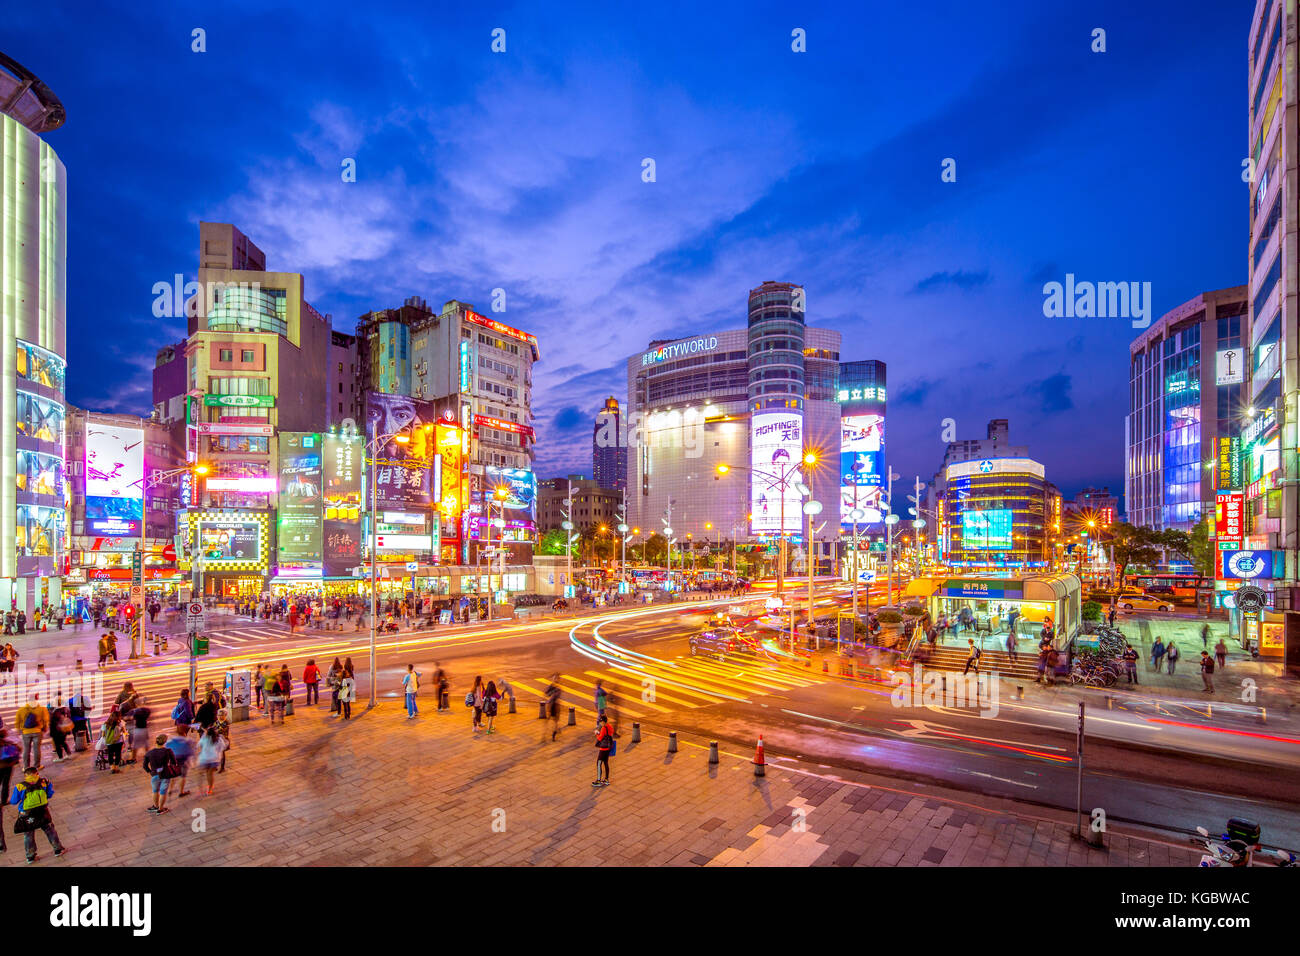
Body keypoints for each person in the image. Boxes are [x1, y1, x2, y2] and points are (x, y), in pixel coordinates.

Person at [10, 766, 66, 862]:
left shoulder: (20, 786)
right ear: (37, 773)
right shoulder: (45, 782)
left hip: (26, 814)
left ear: (25, 775)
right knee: (49, 829)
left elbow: (14, 801)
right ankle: (58, 849)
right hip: (42, 811)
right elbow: (50, 794)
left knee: (28, 834)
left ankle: (30, 856)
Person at [142, 734, 179, 814]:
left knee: (155, 791)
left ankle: (155, 806)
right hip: (165, 774)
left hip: (154, 774)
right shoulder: (168, 751)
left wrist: (150, 771)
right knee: (163, 792)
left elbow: (144, 766)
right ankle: (161, 809)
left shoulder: (149, 753)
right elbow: (174, 762)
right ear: (165, 742)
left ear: (156, 741)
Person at [0, 728, 18, 852]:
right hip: (8, 766)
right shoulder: (8, 743)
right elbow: (18, 750)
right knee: (6, 784)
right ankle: (4, 799)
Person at [15, 696, 46, 770]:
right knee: (37, 749)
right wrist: (44, 729)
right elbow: (45, 720)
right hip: (37, 731)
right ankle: (37, 766)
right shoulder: (42, 709)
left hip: (26, 732)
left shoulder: (21, 710)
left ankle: (26, 767)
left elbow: (17, 722)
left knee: (26, 749)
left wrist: (19, 731)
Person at [195, 726, 227, 795]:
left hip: (205, 759)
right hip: (214, 759)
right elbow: (223, 747)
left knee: (203, 773)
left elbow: (198, 746)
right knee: (210, 774)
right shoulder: (218, 739)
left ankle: (201, 789)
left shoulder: (204, 738)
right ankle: (210, 789)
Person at [164, 729, 194, 798]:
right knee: (183, 776)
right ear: (184, 734)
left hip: (174, 761)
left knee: (173, 776)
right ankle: (181, 792)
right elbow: (191, 751)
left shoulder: (172, 741)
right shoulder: (187, 741)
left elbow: (166, 748)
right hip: (183, 761)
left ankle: (170, 790)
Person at [126, 696, 151, 764]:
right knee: (146, 743)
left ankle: (133, 758)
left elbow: (127, 718)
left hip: (138, 730)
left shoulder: (135, 711)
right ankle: (148, 756)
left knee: (135, 745)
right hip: (145, 729)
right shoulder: (146, 710)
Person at [593, 713, 614, 787]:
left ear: (603, 721)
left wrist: (596, 733)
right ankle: (606, 779)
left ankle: (598, 780)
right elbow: (610, 734)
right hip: (608, 748)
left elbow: (599, 738)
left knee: (599, 763)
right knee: (606, 763)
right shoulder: (610, 726)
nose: (600, 723)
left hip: (603, 749)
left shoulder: (604, 728)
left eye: (601, 722)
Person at [545, 675, 562, 742]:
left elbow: (548, 694)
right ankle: (552, 732)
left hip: (555, 705)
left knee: (555, 720)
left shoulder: (557, 687)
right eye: (554, 678)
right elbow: (547, 693)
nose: (555, 679)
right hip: (552, 705)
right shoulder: (554, 686)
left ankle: (554, 733)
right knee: (552, 720)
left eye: (556, 678)